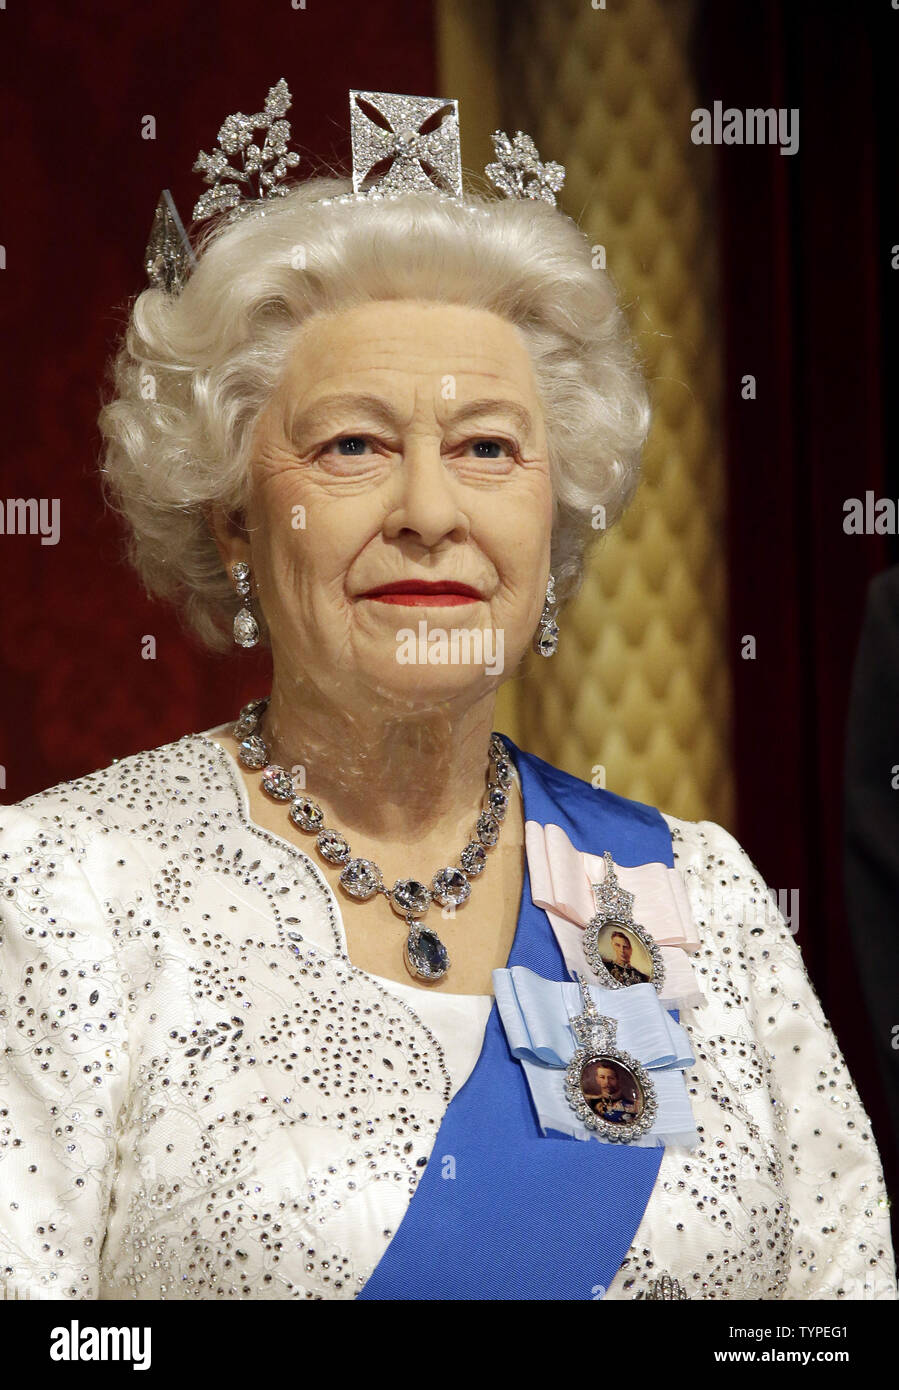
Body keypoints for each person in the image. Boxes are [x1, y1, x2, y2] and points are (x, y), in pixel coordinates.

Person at [0, 82, 894, 1301]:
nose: (429, 512)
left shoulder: (689, 894)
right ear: (234, 527)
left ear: (552, 509)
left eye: (486, 448)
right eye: (352, 447)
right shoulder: (63, 894)